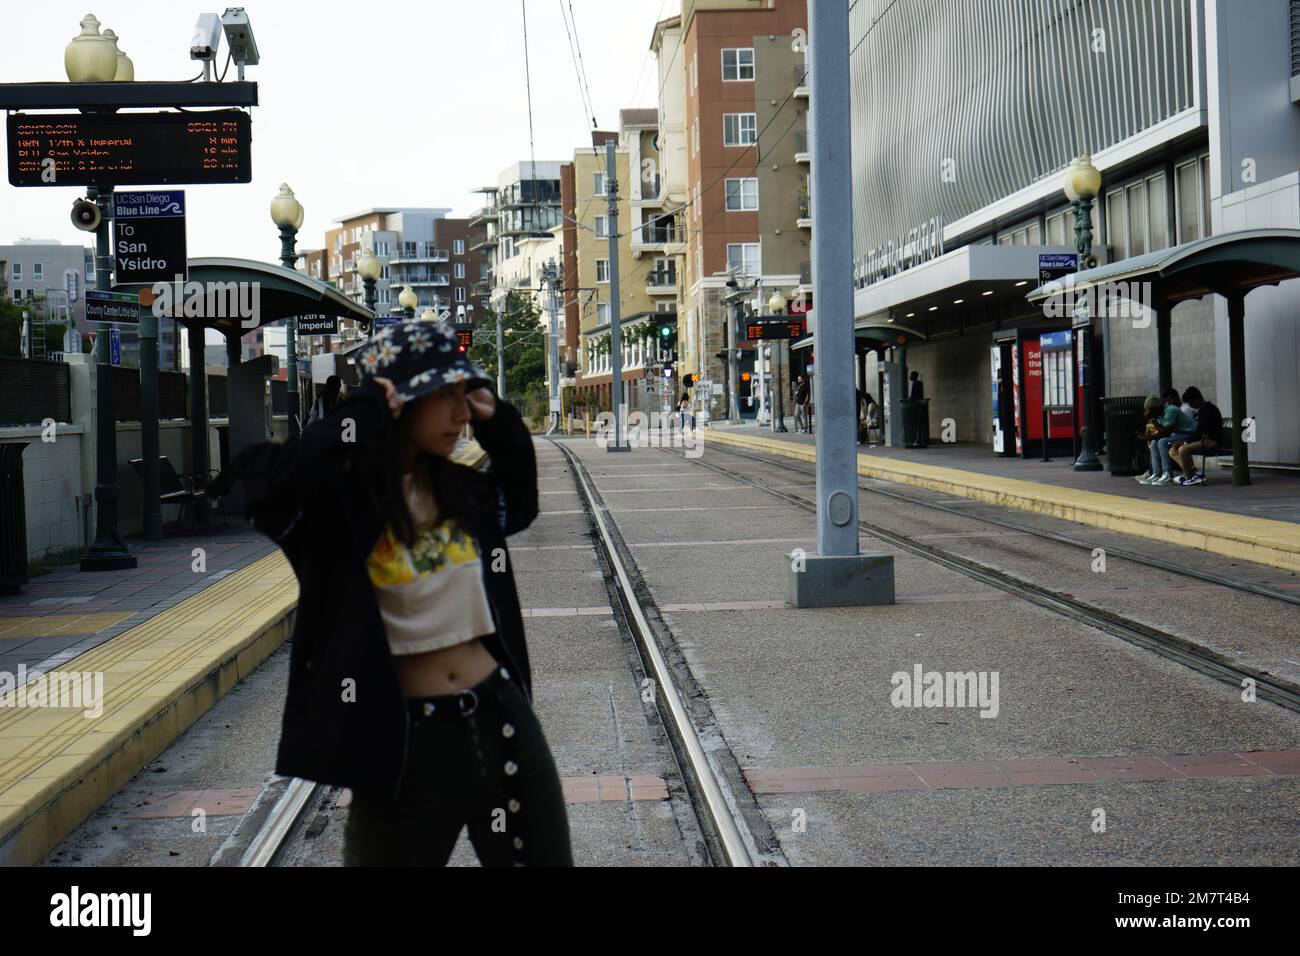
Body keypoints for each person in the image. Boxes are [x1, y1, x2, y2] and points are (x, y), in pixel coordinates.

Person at [211, 320, 572, 867]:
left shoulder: (460, 491)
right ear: (402, 401)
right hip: (405, 753)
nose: (459, 413)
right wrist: (364, 409)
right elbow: (262, 483)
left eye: (463, 396)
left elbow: (519, 502)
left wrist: (498, 419)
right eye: (444, 396)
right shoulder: (337, 510)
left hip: (503, 727)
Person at [1136, 392, 1197, 485]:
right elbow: (1162, 432)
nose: (1149, 413)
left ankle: (1168, 474)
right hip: (1179, 433)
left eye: (1150, 410)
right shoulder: (1159, 414)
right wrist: (1149, 435)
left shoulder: (1171, 410)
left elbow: (1166, 433)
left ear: (1156, 407)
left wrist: (1152, 420)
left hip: (1190, 433)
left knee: (1162, 442)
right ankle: (1157, 473)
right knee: (1154, 442)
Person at [1172, 386, 1223, 486]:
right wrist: (1185, 440)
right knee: (1173, 450)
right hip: (1203, 439)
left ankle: (1189, 477)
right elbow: (1199, 432)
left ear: (1197, 399)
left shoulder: (1209, 410)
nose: (1190, 406)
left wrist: (1185, 441)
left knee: (1183, 450)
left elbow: (1202, 432)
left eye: (1191, 403)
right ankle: (1192, 473)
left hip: (1211, 441)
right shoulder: (1202, 410)